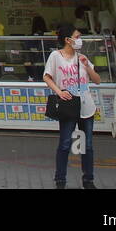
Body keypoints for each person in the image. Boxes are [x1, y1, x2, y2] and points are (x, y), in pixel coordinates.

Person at [43, 25, 102, 189]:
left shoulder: (82, 57)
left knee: (87, 145)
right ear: (67, 40)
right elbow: (47, 77)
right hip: (68, 105)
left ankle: (88, 180)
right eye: (77, 36)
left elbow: (97, 80)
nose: (79, 39)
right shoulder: (56, 56)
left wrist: (88, 66)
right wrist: (59, 92)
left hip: (86, 105)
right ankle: (60, 180)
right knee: (65, 143)